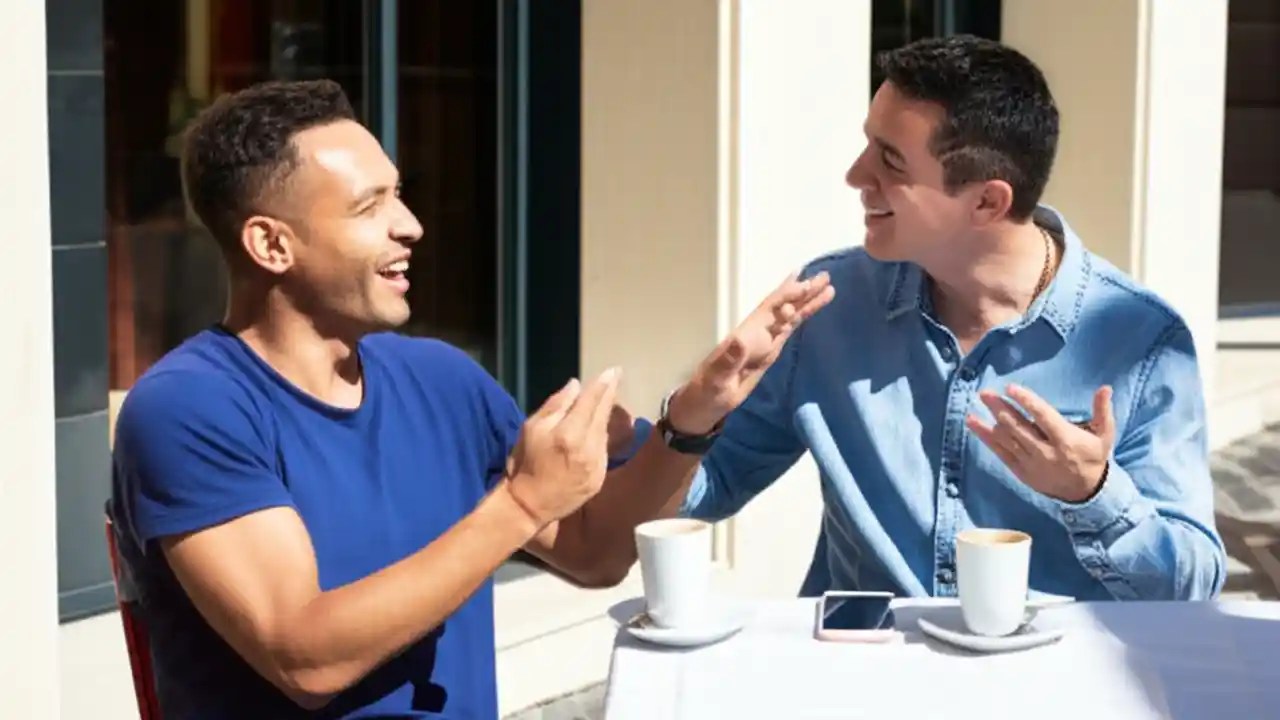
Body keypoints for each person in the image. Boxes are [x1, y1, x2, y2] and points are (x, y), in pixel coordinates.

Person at [109, 80, 833, 718]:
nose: (410, 225)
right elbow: (305, 658)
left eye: (398, 193)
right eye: (369, 206)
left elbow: (594, 554)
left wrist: (692, 420)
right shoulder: (187, 411)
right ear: (271, 245)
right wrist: (520, 503)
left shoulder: (439, 380)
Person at [580, 34, 1227, 602]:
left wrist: (1094, 493)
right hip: (861, 682)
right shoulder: (828, 309)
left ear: (986, 201)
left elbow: (1190, 585)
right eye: (869, 147)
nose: (855, 175)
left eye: (890, 162)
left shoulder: (1141, 342)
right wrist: (688, 419)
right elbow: (706, 490)